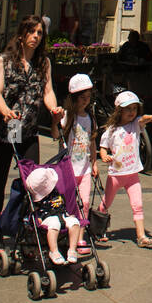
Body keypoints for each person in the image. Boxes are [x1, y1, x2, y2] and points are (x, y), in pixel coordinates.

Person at [0, 15, 61, 250]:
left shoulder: (43, 63)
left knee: (33, 180)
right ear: (21, 35)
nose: (36, 37)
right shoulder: (4, 61)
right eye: (32, 32)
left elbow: (48, 91)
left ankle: (23, 223)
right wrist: (5, 110)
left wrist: (54, 108)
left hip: (27, 129)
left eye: (40, 33)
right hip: (5, 127)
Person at [97, 90, 152, 248]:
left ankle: (141, 236)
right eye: (128, 109)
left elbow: (144, 119)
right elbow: (103, 147)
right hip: (116, 174)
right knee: (106, 203)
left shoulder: (135, 124)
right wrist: (105, 156)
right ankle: (98, 229)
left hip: (132, 174)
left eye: (134, 108)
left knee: (137, 205)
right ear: (119, 110)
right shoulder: (111, 129)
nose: (132, 112)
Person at [55, 73, 98, 250]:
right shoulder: (67, 116)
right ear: (73, 98)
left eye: (88, 98)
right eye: (82, 98)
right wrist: (55, 121)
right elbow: (56, 135)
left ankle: (80, 237)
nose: (85, 101)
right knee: (69, 203)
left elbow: (92, 141)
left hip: (85, 169)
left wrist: (94, 162)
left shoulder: (90, 118)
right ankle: (68, 235)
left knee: (85, 203)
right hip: (68, 169)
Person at [25, 167, 82, 266]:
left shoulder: (56, 192)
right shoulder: (38, 201)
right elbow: (34, 211)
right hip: (48, 218)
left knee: (75, 223)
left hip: (63, 215)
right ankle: (54, 251)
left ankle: (72, 249)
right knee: (54, 224)